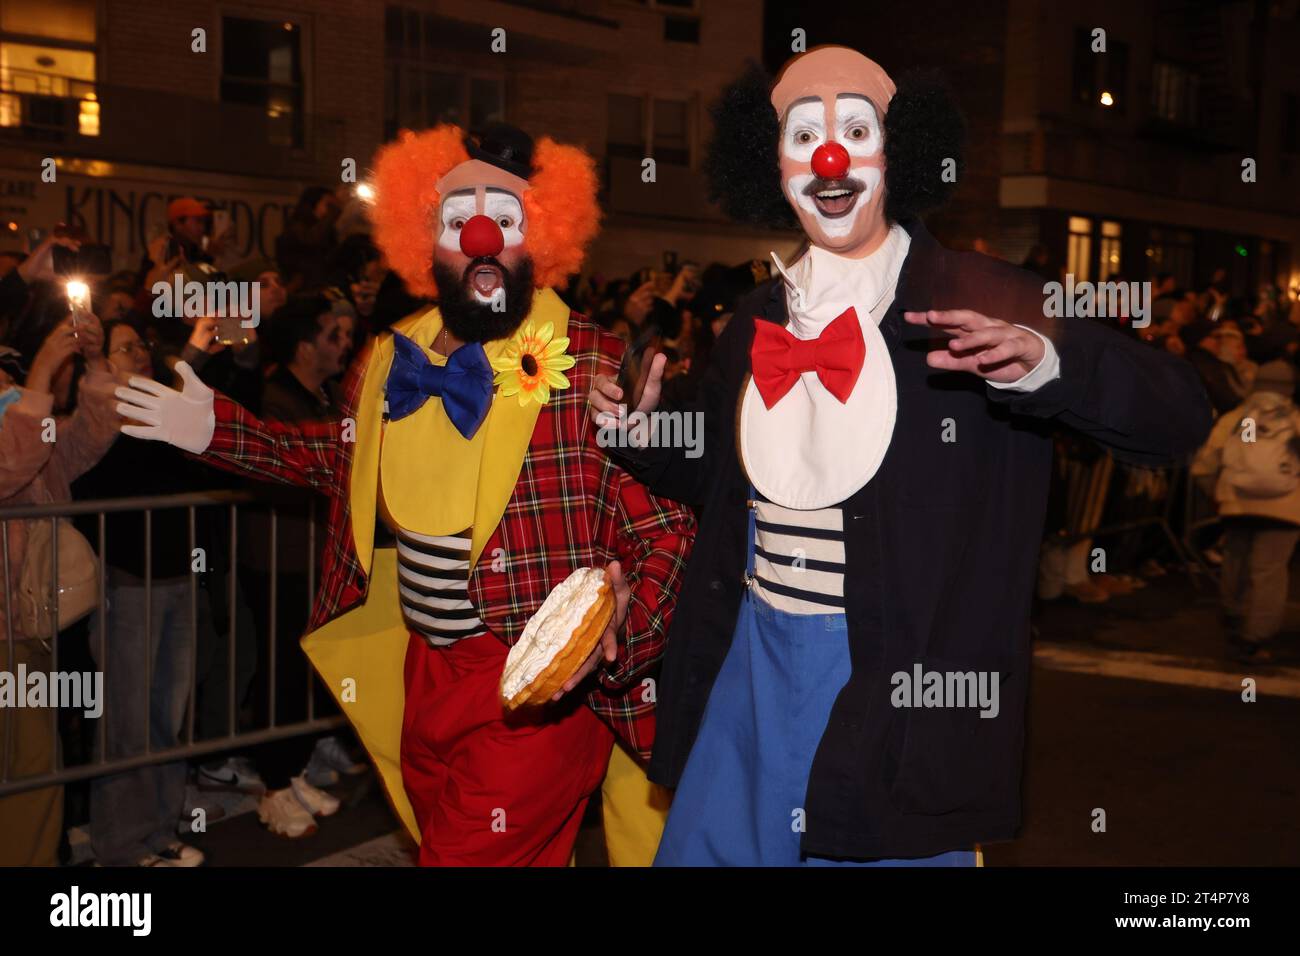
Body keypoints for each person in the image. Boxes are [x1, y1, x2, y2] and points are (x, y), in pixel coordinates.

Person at [589, 46, 1212, 866]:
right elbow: (717, 473)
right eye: (803, 134)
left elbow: (1181, 416)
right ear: (769, 162)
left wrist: (1050, 364)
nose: (831, 156)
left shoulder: (987, 295)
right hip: (748, 670)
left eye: (856, 129)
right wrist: (648, 433)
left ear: (902, 150)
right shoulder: (753, 317)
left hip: (896, 688)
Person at [116, 122, 695, 866]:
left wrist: (620, 626)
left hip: (536, 688)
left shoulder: (593, 362)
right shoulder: (392, 356)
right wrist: (214, 431)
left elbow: (669, 529)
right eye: (459, 221)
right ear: (426, 238)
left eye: (505, 219)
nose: (481, 235)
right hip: (422, 671)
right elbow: (335, 458)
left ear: (542, 235)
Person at [72, 317, 212, 866]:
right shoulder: (100, 422)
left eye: (140, 346)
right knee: (127, 721)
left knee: (167, 715)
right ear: (102, 363)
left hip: (177, 575)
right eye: (124, 349)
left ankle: (159, 829)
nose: (140, 354)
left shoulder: (160, 411)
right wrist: (192, 361)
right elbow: (122, 464)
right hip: (127, 581)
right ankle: (121, 844)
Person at [0, 288, 119, 865]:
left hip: (28, 619)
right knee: (26, 773)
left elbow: (75, 446)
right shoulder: (21, 392)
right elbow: (6, 464)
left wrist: (94, 366)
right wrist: (43, 372)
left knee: (34, 770)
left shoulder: (18, 394)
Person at [1192, 360, 1300, 663]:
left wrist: (1218, 493)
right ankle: (1254, 639)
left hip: (1236, 504)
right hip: (1286, 509)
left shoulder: (1236, 418)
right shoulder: (1295, 420)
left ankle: (1233, 615)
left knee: (1235, 559)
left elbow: (1204, 464)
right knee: (1269, 571)